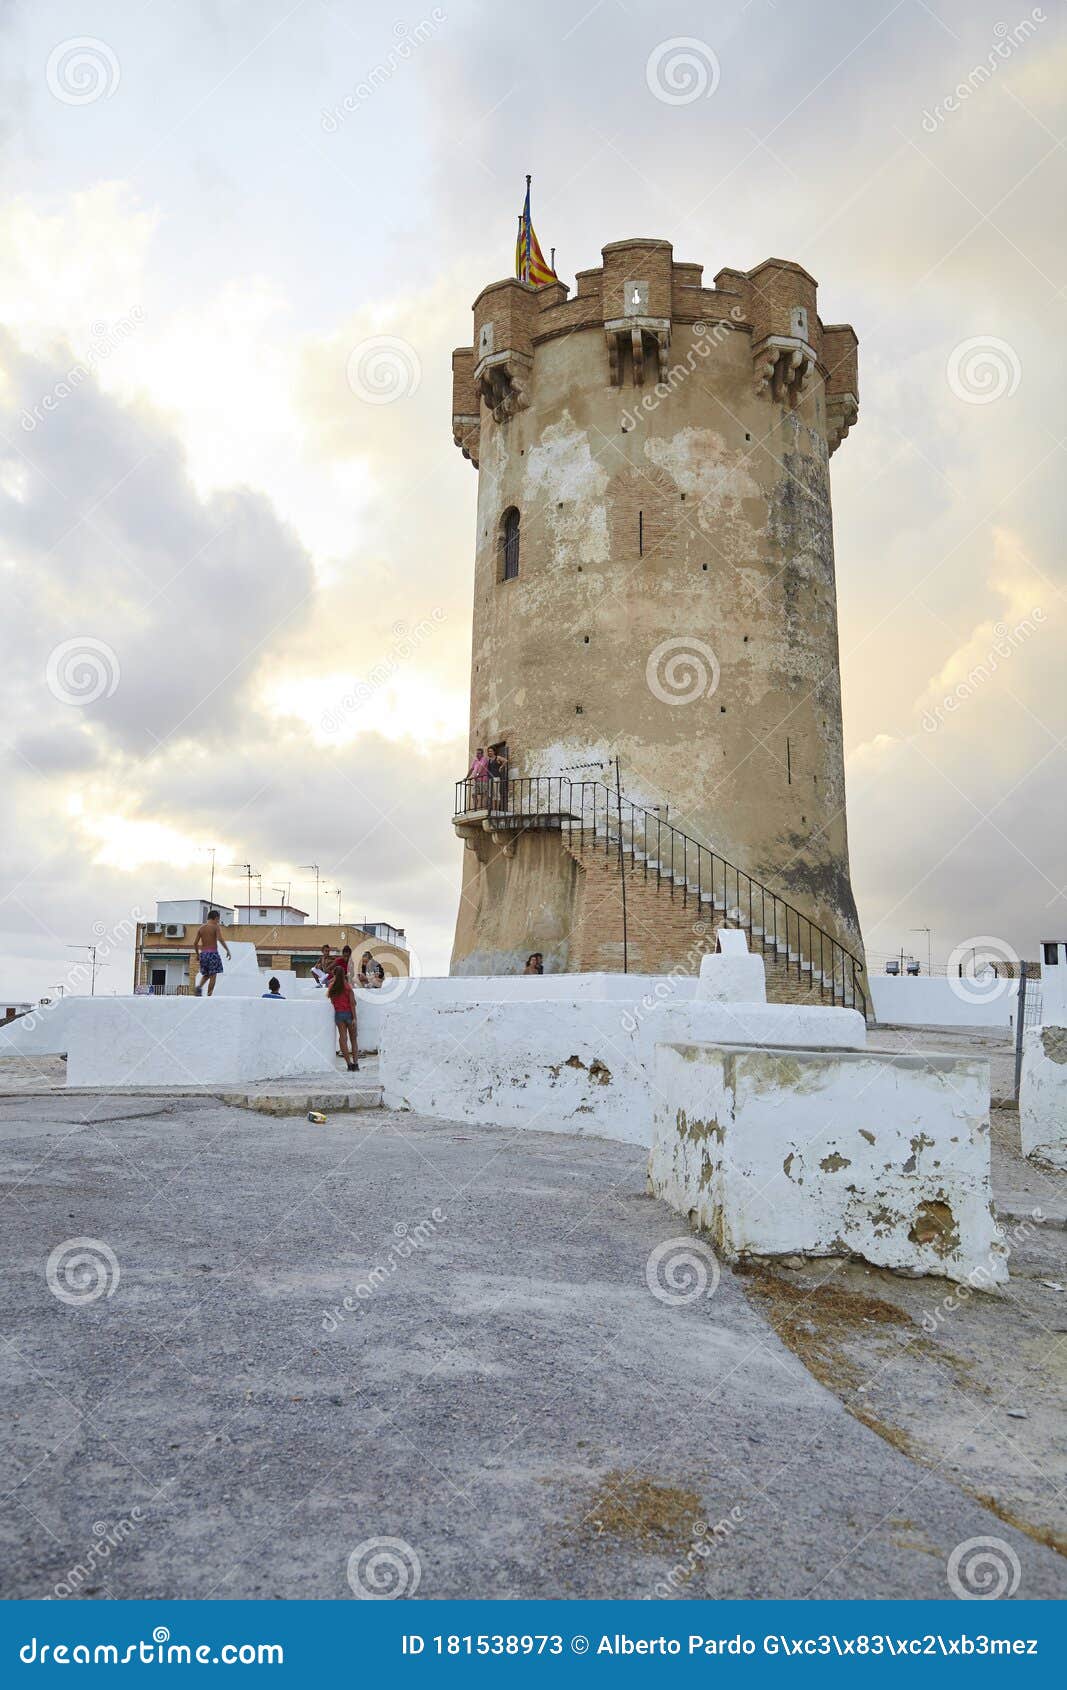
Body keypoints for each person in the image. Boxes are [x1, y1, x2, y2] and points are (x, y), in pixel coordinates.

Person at [326, 960, 359, 1071]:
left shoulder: (331, 987)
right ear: (344, 974)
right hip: (349, 1014)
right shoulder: (348, 987)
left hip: (339, 1015)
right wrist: (354, 1018)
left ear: (334, 974)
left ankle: (349, 1064)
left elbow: (331, 1001)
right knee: (353, 1040)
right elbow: (353, 1003)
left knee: (343, 1039)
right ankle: (356, 1064)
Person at [193, 909, 231, 997]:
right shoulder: (215, 926)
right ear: (216, 918)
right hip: (213, 954)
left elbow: (195, 943)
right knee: (213, 976)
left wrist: (198, 955)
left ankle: (199, 987)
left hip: (203, 954)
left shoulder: (201, 928)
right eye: (218, 919)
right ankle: (209, 995)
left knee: (206, 974)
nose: (218, 921)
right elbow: (220, 939)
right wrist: (227, 950)